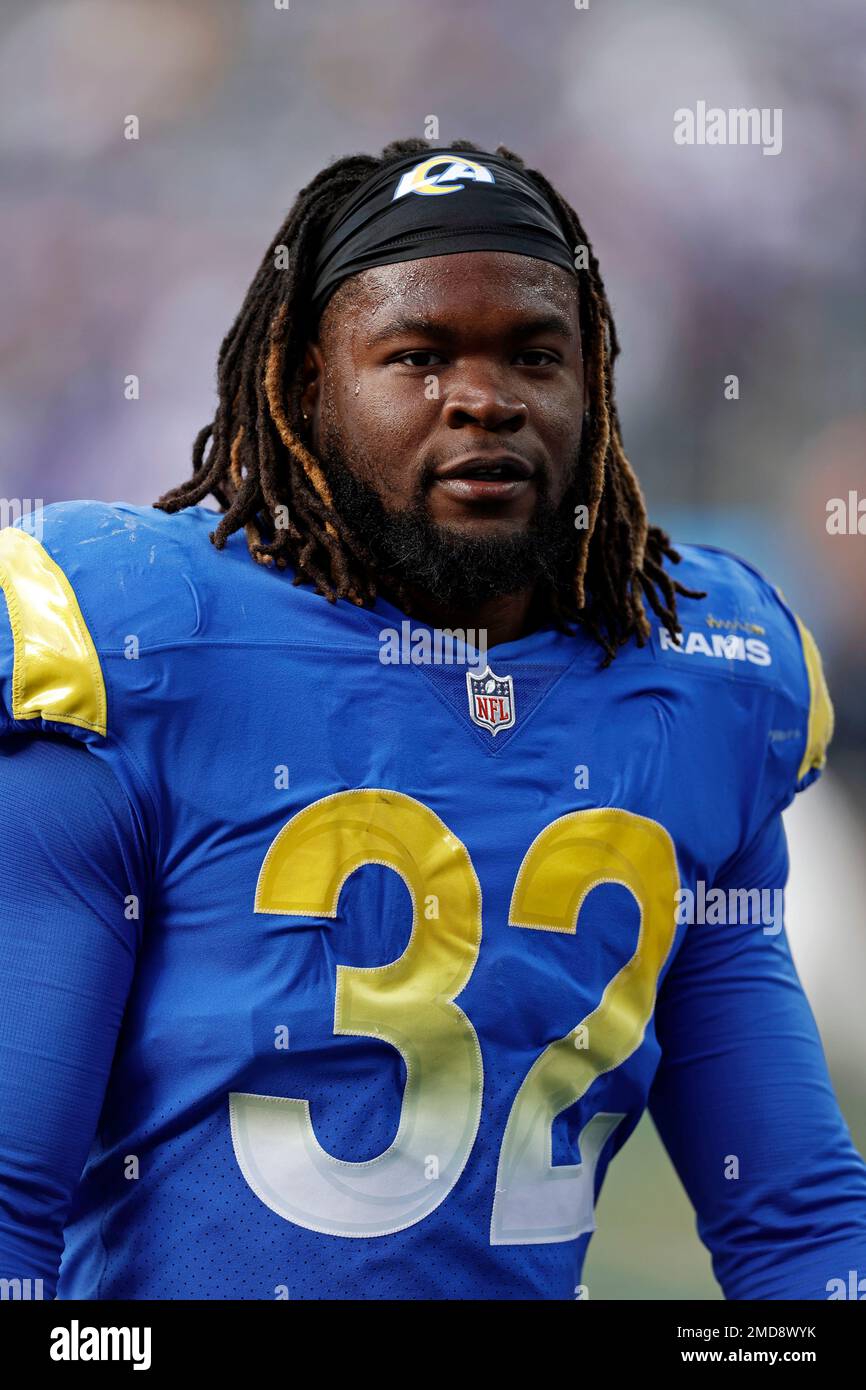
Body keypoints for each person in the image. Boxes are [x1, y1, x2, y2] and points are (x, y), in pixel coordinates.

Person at [0, 137, 864, 1301]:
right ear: (307, 380)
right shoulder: (146, 647)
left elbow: (793, 1222)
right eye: (416, 355)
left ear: (592, 381)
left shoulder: (700, 685)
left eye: (534, 353)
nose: (484, 399)